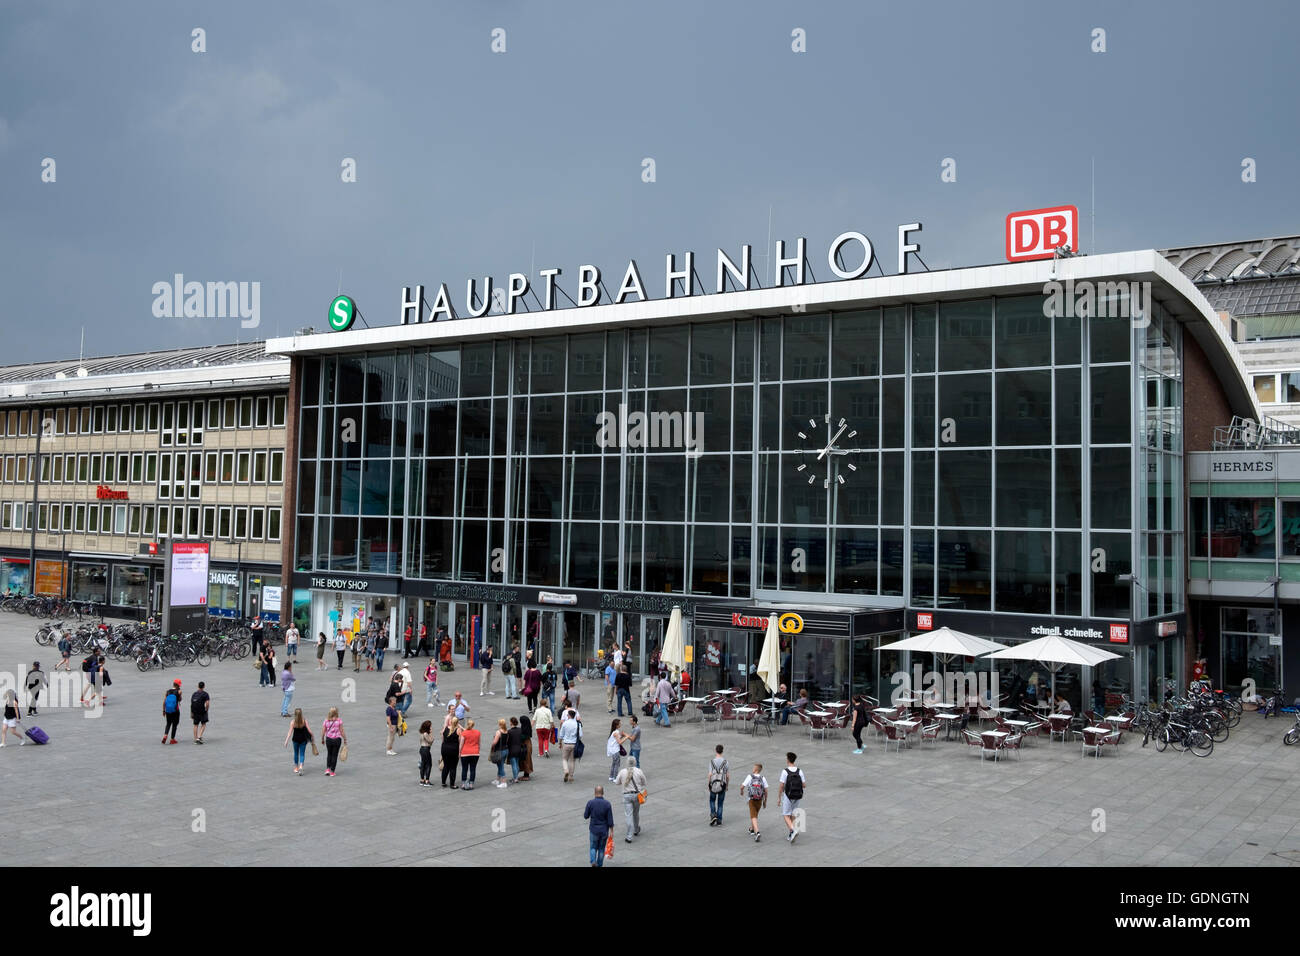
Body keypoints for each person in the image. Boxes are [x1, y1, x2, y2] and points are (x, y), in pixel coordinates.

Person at [614, 755, 647, 843]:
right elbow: (644, 782)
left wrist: (623, 781)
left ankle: (629, 836)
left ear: (627, 763)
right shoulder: (639, 771)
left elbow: (617, 782)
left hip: (626, 796)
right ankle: (636, 830)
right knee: (636, 813)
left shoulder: (622, 771)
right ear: (635, 762)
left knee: (628, 815)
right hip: (637, 795)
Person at [583, 786, 615, 867]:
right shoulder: (607, 804)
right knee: (601, 848)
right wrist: (611, 830)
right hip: (604, 830)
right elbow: (610, 819)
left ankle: (593, 861)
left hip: (594, 829)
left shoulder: (590, 803)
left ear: (594, 793)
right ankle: (599, 864)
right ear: (603, 793)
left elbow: (586, 816)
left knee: (593, 847)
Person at [778, 752, 806, 844]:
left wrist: (779, 797)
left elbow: (781, 786)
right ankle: (791, 833)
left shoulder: (785, 771)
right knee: (793, 814)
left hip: (788, 795)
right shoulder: (800, 771)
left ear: (788, 759)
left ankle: (793, 830)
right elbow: (804, 785)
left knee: (785, 815)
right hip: (797, 795)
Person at [742, 763, 769, 841]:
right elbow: (766, 791)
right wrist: (765, 801)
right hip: (760, 799)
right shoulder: (763, 778)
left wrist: (741, 791)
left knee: (753, 816)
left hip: (751, 799)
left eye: (753, 768)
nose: (752, 769)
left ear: (756, 769)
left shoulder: (750, 776)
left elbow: (742, 786)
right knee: (755, 814)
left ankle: (757, 832)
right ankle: (752, 829)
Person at [283, 708, 314, 775]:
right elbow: (309, 730)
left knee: (296, 753)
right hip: (303, 739)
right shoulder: (304, 721)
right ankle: (301, 766)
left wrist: (286, 741)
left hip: (295, 739)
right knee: (302, 753)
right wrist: (312, 736)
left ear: (295, 714)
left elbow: (290, 732)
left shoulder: (293, 722)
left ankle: (296, 768)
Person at [320, 707, 347, 776]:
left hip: (328, 739)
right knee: (334, 755)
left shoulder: (326, 720)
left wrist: (322, 739)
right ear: (337, 712)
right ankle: (332, 771)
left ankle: (327, 769)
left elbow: (323, 731)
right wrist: (345, 739)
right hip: (337, 740)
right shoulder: (339, 720)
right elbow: (342, 731)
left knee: (329, 754)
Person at [707, 744, 730, 826]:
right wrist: (727, 785)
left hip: (713, 784)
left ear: (716, 750)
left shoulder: (712, 762)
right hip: (722, 784)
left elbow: (709, 774)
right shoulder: (725, 762)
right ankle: (719, 820)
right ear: (722, 751)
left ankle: (713, 815)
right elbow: (727, 775)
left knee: (712, 800)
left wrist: (708, 784)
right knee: (720, 803)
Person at [559, 708, 582, 783]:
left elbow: (561, 734)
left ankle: (566, 770)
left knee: (564, 759)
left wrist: (560, 742)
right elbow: (581, 735)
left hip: (566, 743)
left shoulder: (565, 723)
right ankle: (571, 776)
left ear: (569, 715)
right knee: (572, 761)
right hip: (574, 744)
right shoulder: (578, 724)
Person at [458, 718, 480, 790]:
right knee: (473, 769)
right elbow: (479, 743)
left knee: (464, 769)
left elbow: (461, 744)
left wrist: (459, 752)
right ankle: (471, 784)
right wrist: (478, 750)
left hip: (465, 753)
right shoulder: (478, 732)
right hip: (475, 753)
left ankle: (463, 784)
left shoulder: (464, 733)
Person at [490, 718, 510, 788]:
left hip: (499, 750)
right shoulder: (506, 731)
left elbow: (495, 742)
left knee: (500, 766)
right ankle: (498, 779)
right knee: (500, 765)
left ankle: (504, 782)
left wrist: (492, 745)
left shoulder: (498, 732)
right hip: (506, 750)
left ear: (499, 724)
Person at [162, 679, 182, 744]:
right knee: (174, 724)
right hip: (175, 710)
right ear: (178, 685)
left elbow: (164, 702)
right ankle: (172, 739)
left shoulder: (167, 692)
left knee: (168, 723)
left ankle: (165, 735)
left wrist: (163, 711)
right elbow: (180, 700)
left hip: (168, 710)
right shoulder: (179, 691)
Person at [507, 716, 524, 783]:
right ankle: (515, 776)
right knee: (516, 763)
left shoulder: (509, 732)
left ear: (511, 723)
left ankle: (515, 778)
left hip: (512, 749)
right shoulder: (520, 730)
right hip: (519, 748)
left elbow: (508, 741)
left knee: (513, 764)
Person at [417, 720, 434, 786]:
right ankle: (427, 780)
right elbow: (430, 741)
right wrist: (431, 734)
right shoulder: (426, 734)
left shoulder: (422, 733)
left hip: (422, 749)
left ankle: (422, 780)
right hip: (426, 749)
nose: (431, 727)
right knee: (429, 765)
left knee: (423, 764)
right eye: (430, 726)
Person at [518, 712, 534, 780]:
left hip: (525, 744)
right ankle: (526, 773)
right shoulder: (528, 727)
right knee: (527, 758)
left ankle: (526, 775)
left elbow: (523, 737)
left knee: (526, 759)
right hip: (528, 743)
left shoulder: (524, 729)